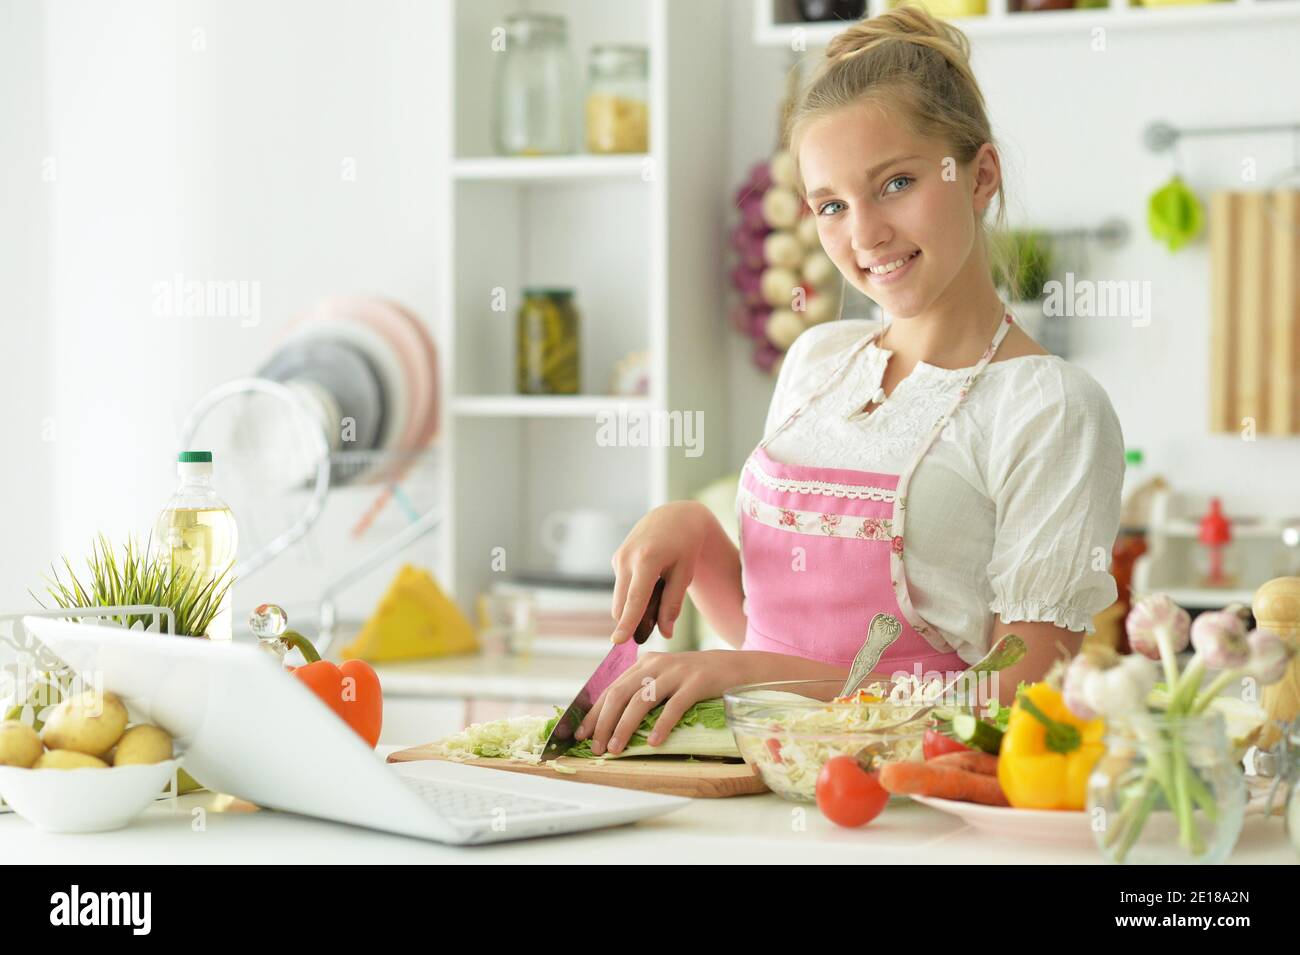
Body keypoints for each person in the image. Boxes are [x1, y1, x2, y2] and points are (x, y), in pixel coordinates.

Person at [575, 5, 1124, 756]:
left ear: (979, 176)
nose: (864, 236)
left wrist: (753, 673)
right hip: (765, 787)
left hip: (918, 815)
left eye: (895, 183)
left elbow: (1019, 706)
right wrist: (698, 539)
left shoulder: (1048, 407)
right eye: (832, 204)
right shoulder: (818, 360)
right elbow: (782, 632)